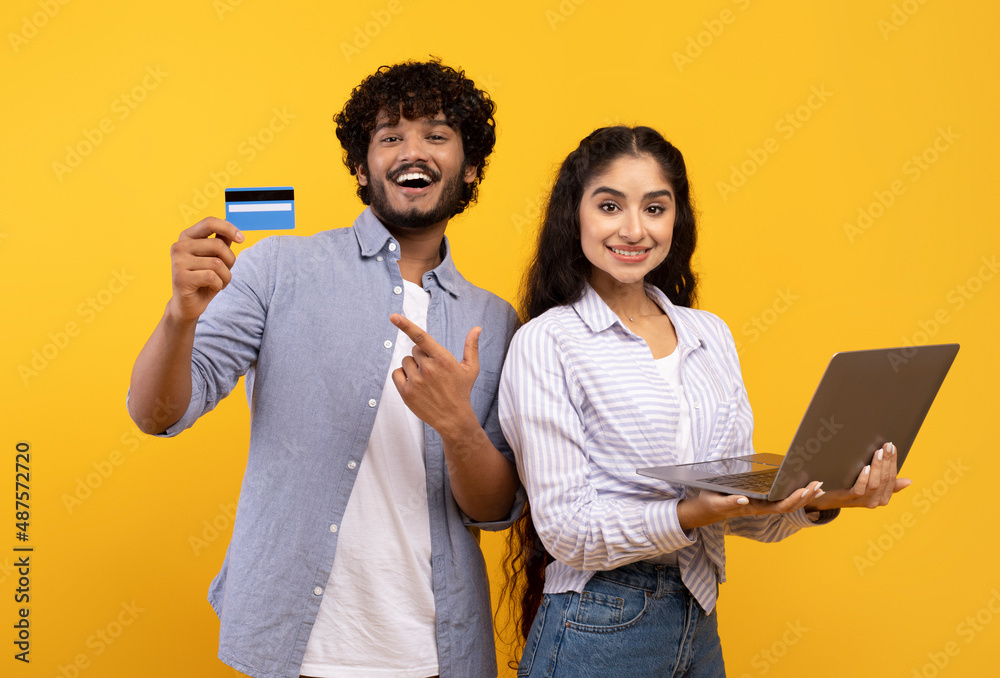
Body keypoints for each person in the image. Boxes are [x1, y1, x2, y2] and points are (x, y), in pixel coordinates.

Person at [127, 59, 522, 678]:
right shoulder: (277, 268)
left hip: (439, 653)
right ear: (362, 168)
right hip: (297, 649)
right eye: (390, 136)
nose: (410, 150)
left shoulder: (495, 320)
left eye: (436, 135)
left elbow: (494, 510)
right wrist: (180, 317)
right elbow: (157, 414)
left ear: (470, 169)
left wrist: (458, 425)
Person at [497, 126, 909, 677]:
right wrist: (689, 513)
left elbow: (741, 511)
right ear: (575, 215)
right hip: (599, 623)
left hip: (698, 614)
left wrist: (825, 498)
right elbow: (567, 530)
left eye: (655, 207)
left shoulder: (709, 334)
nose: (634, 229)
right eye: (610, 205)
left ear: (677, 219)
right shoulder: (547, 343)